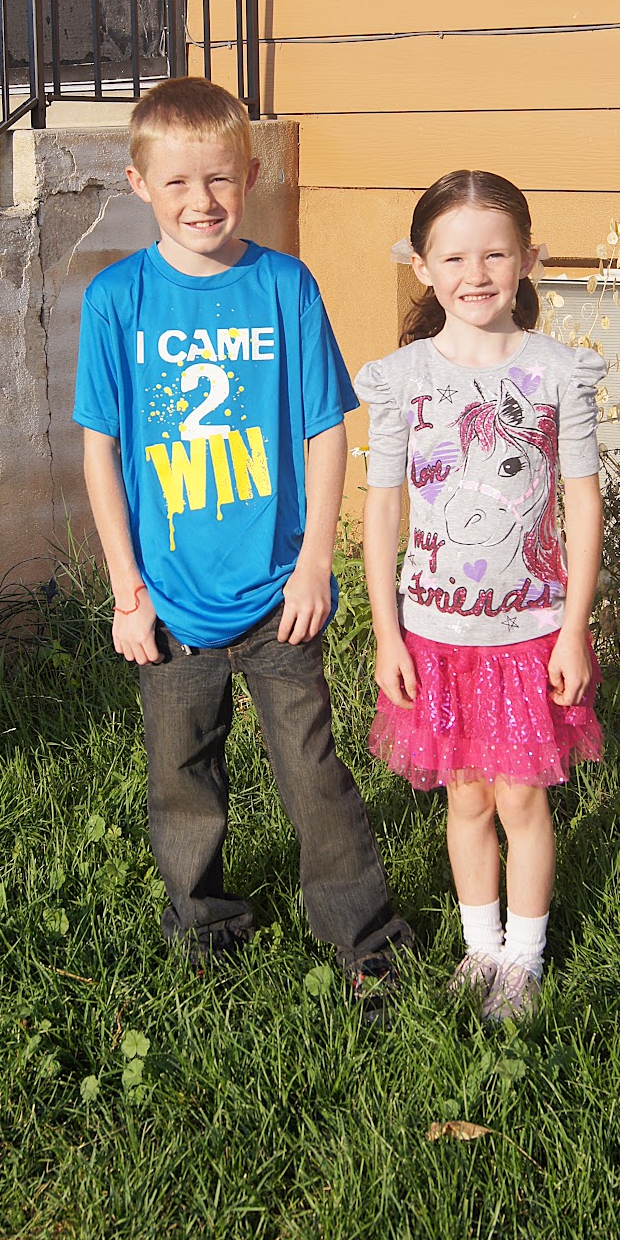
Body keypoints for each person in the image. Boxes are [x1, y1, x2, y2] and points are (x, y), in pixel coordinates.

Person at [73, 76, 413, 1010]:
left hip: (278, 595)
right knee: (181, 780)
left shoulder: (281, 286)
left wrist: (313, 565)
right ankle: (204, 927)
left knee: (312, 774)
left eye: (219, 180)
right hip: (169, 601)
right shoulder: (117, 299)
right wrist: (125, 590)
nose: (201, 203)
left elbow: (325, 430)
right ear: (138, 183)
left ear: (251, 175)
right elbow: (101, 454)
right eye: (177, 184)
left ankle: (365, 939)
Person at [354, 169, 604, 1021]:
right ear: (422, 267)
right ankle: (479, 947)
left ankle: (525, 960)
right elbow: (380, 507)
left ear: (528, 258)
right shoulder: (399, 379)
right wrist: (388, 634)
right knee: (465, 794)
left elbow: (580, 502)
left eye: (495, 253)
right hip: (434, 633)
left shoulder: (559, 374)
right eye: (453, 256)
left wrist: (573, 630)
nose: (476, 273)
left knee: (522, 795)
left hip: (531, 631)